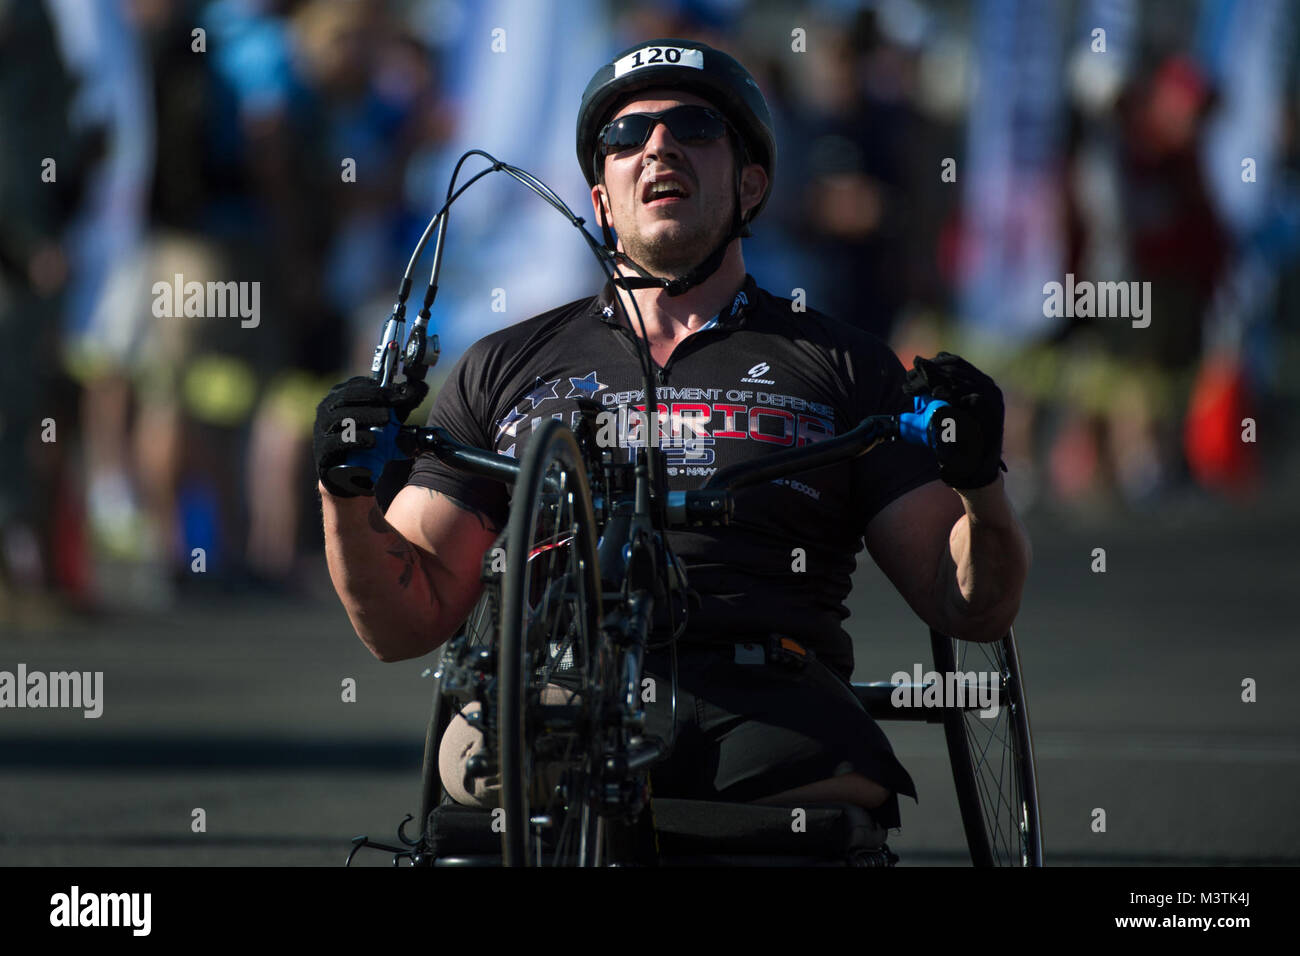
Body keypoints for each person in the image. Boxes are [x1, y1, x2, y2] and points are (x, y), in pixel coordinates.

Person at [313, 39, 1031, 832]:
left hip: (772, 699)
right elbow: (403, 621)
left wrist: (981, 487)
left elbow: (967, 604)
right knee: (501, 770)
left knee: (824, 797)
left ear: (749, 185)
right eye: (626, 136)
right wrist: (343, 493)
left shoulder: (844, 365)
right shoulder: (501, 367)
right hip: (560, 691)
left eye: (693, 128)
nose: (658, 146)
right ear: (601, 200)